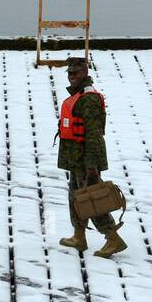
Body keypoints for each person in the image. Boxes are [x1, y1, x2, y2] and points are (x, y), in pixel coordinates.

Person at [56, 56, 126, 257]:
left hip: (86, 160)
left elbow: (94, 135)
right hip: (76, 159)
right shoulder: (78, 95)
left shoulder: (89, 99)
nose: (71, 77)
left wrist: (92, 166)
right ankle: (79, 236)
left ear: (85, 73)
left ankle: (113, 238)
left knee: (92, 200)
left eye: (75, 73)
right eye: (69, 73)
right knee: (75, 199)